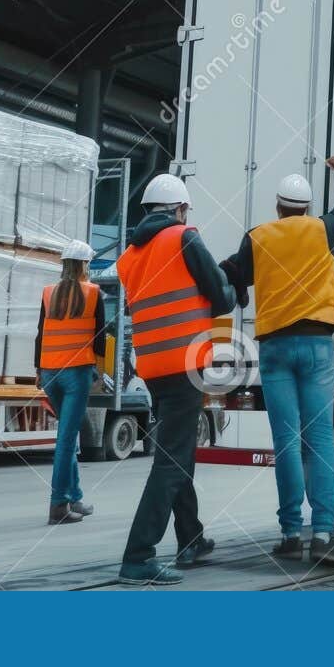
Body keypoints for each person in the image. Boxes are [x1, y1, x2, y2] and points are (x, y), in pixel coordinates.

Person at [220, 155, 334, 567]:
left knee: (287, 442)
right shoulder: (322, 229)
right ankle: (323, 535)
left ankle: (290, 534)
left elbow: (235, 273)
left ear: (278, 207)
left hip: (275, 347)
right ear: (307, 208)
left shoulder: (258, 236)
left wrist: (242, 291)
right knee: (321, 440)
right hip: (316, 345)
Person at [114, 173, 237, 584]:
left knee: (178, 452)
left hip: (153, 369)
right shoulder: (185, 238)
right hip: (186, 364)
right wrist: (235, 288)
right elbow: (220, 297)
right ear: (180, 209)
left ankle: (191, 538)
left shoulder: (129, 257)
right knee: (170, 461)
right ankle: (138, 556)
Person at [36, 240, 108, 526]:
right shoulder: (93, 293)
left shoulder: (48, 292)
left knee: (68, 437)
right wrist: (99, 373)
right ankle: (58, 506)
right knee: (66, 441)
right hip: (76, 374)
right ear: (84, 265)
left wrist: (38, 371)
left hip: (49, 373)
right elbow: (100, 338)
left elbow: (40, 334)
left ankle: (74, 496)